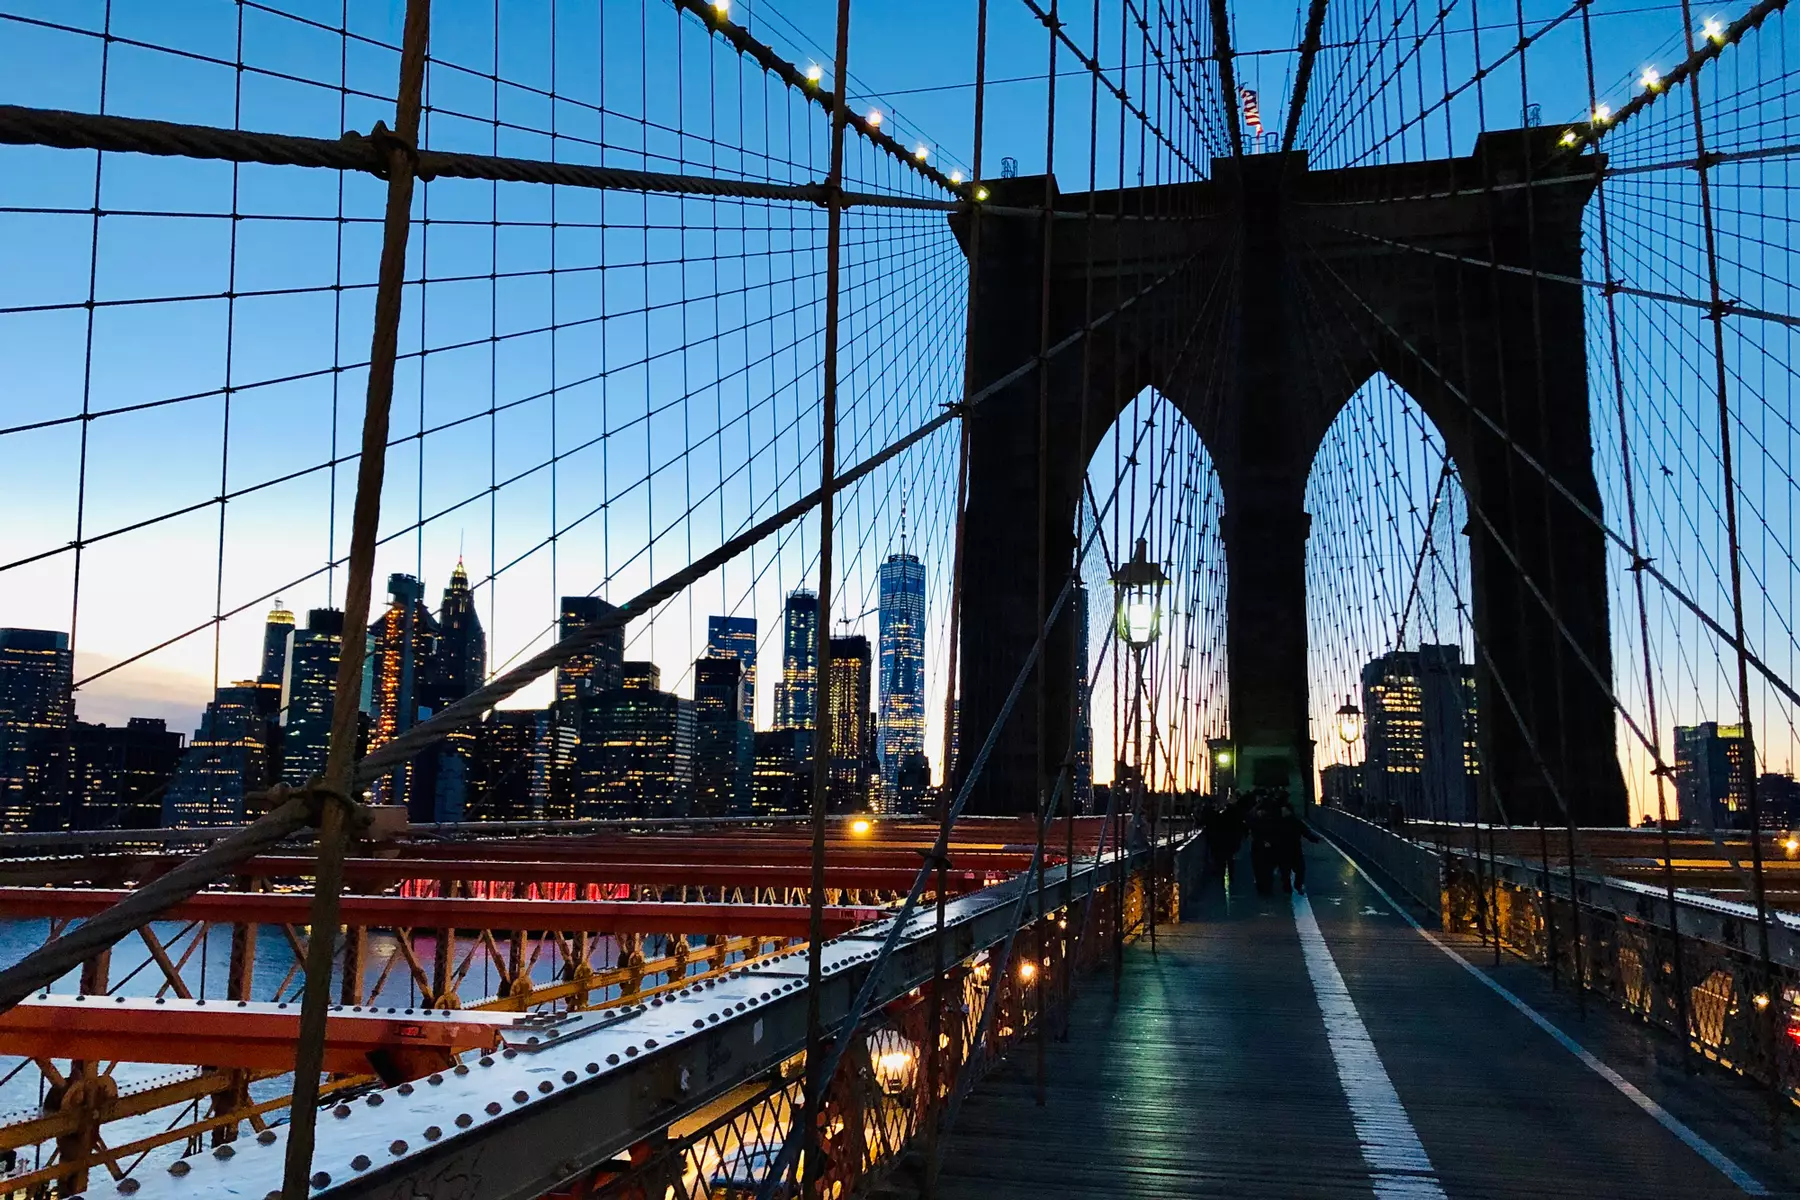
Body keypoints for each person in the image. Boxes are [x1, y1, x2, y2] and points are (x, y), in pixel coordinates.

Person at [1274, 801, 1323, 894]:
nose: (1283, 812)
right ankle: (1294, 886)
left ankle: (1290, 887)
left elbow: (1305, 832)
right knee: (1295, 870)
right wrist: (1315, 839)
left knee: (1289, 870)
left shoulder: (1282, 823)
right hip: (1291, 849)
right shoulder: (1295, 822)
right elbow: (1306, 832)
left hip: (1287, 849)